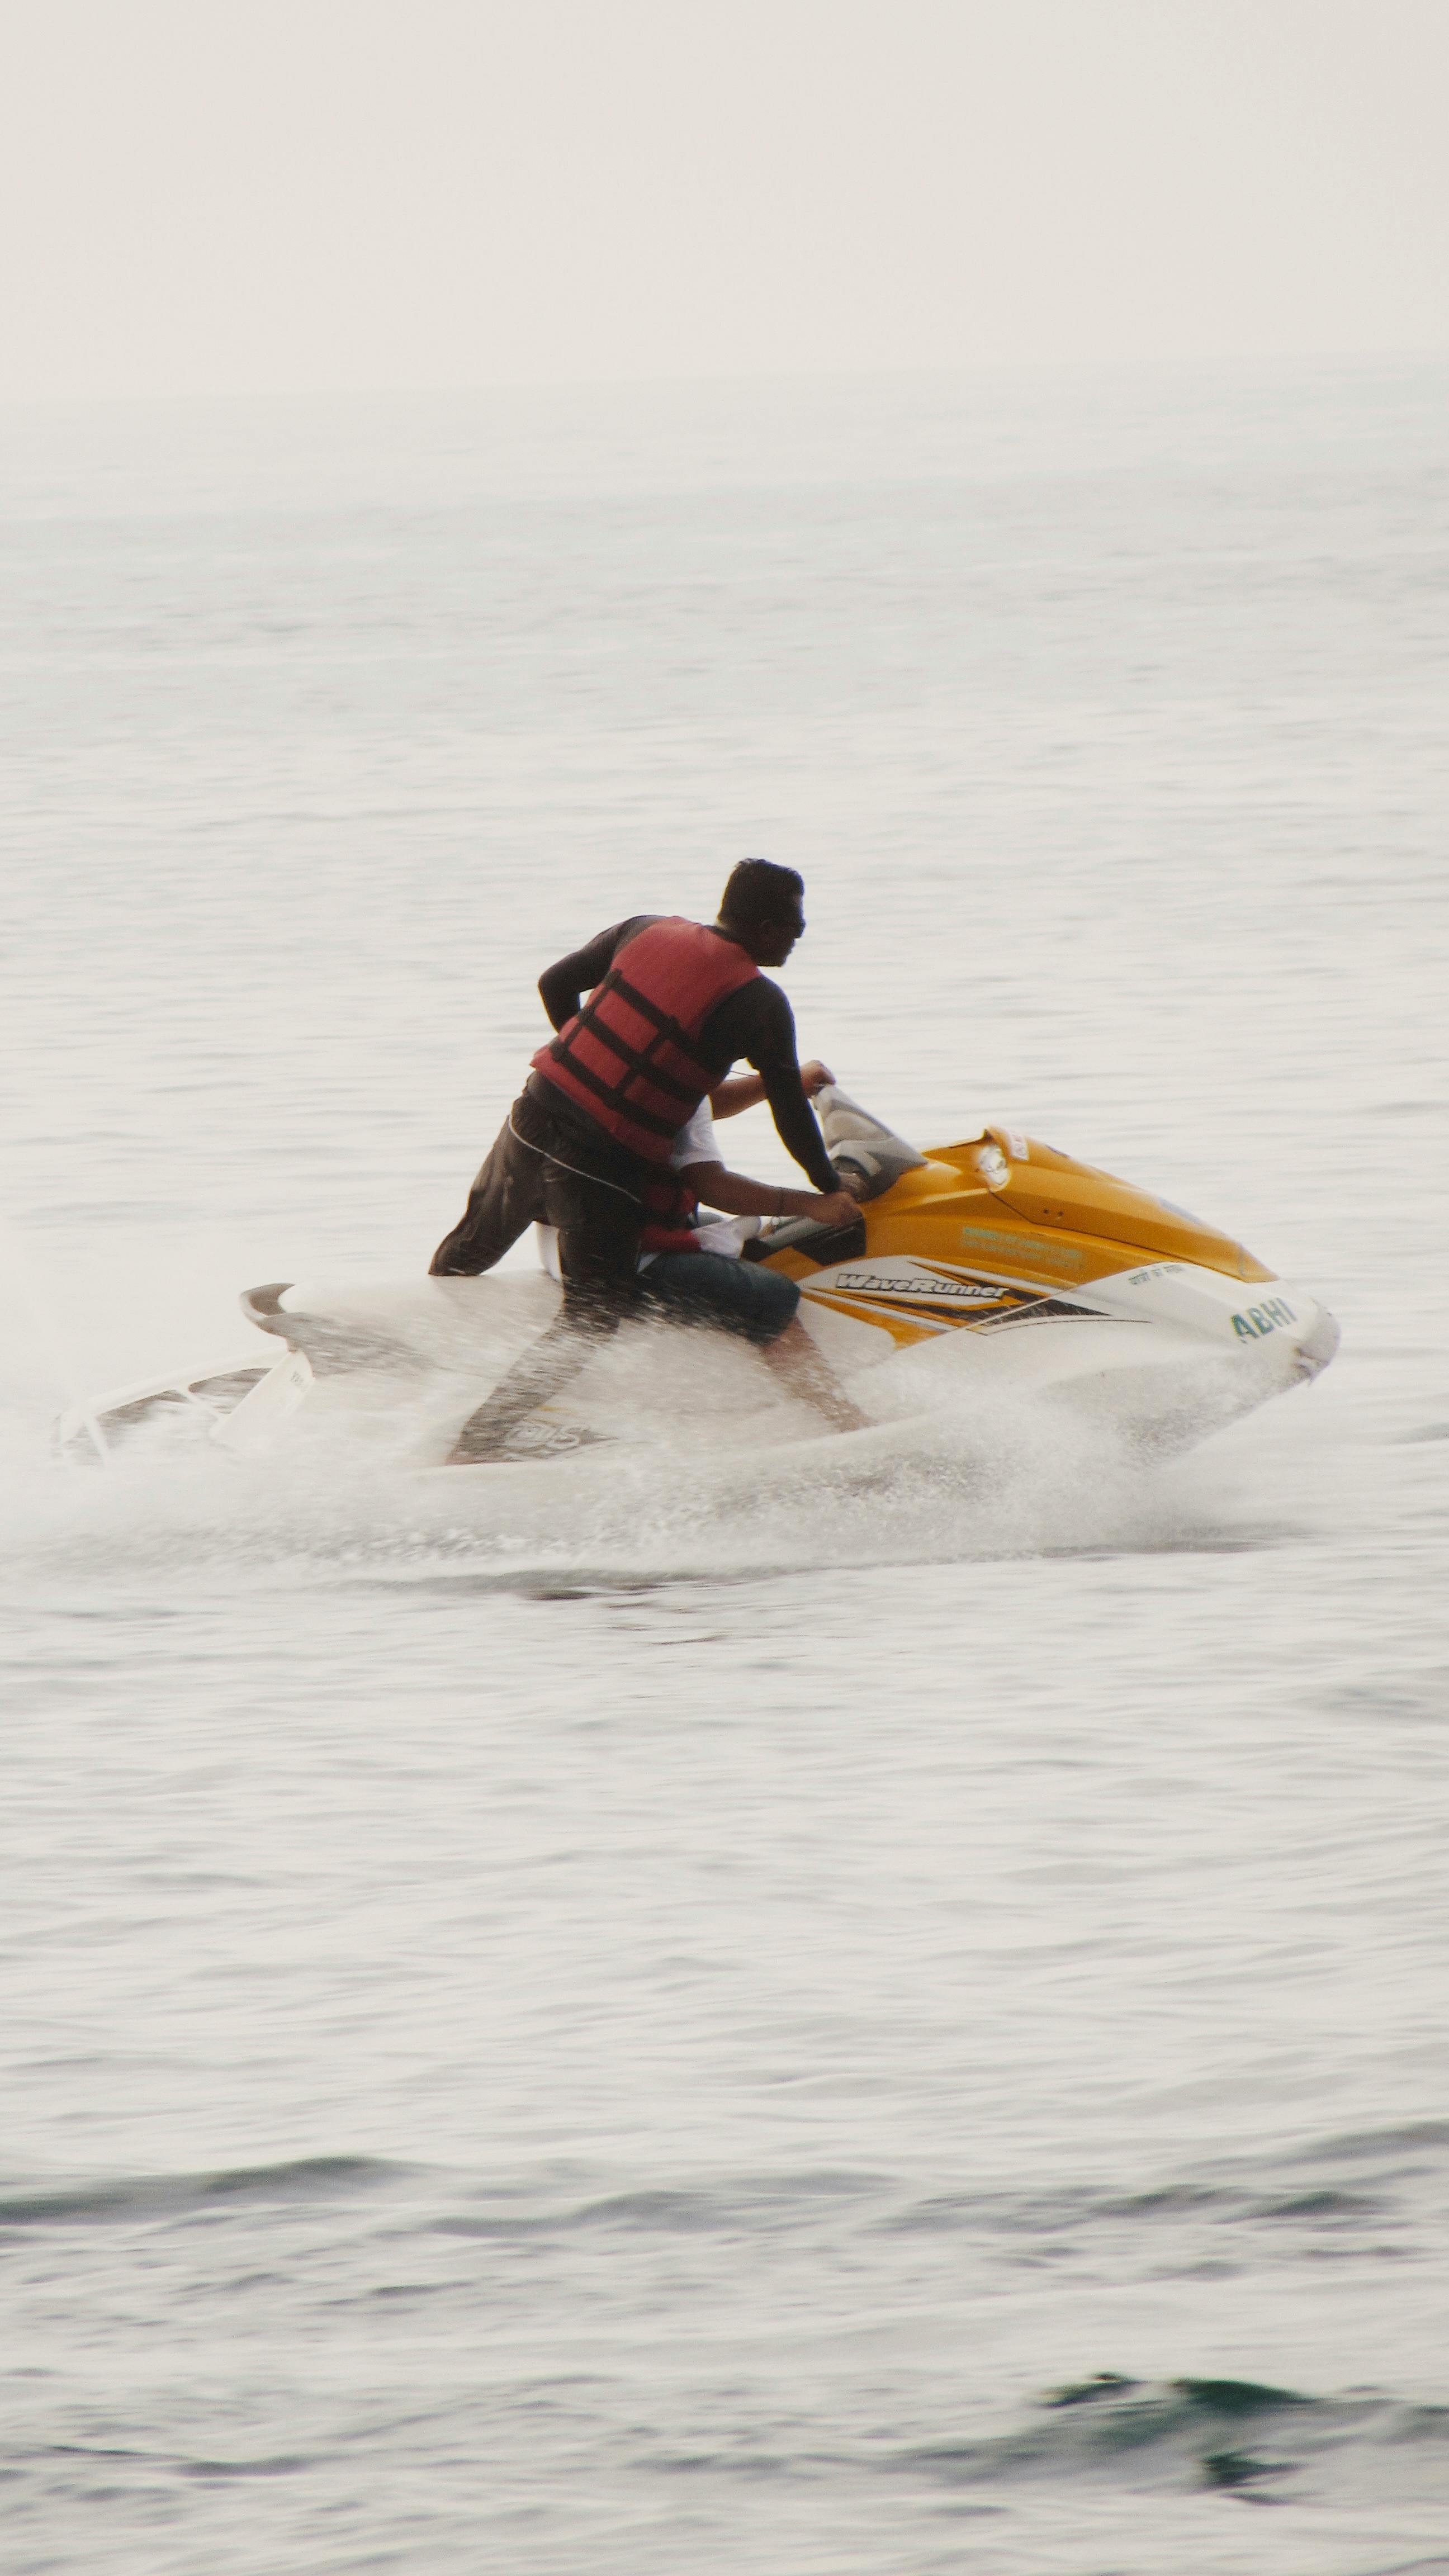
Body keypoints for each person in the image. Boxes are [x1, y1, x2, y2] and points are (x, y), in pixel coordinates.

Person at [429, 859, 863, 1461]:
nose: (801, 932)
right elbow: (791, 1112)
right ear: (765, 927)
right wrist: (825, 1187)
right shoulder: (759, 1002)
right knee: (594, 1314)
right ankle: (477, 1443)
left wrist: (595, 1064)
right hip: (596, 1161)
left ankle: (411, 1350)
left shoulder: (644, 929)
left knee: (469, 1250)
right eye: (795, 921)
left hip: (532, 1118)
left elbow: (554, 983)